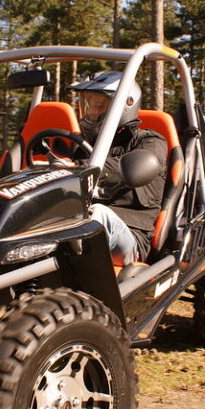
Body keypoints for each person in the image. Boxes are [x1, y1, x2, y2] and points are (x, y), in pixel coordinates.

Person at [67, 71, 167, 266]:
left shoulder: (149, 141)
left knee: (96, 214)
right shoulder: (84, 147)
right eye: (88, 105)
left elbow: (125, 168)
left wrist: (77, 168)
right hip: (81, 222)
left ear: (125, 104)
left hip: (131, 236)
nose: (92, 113)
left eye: (99, 106)